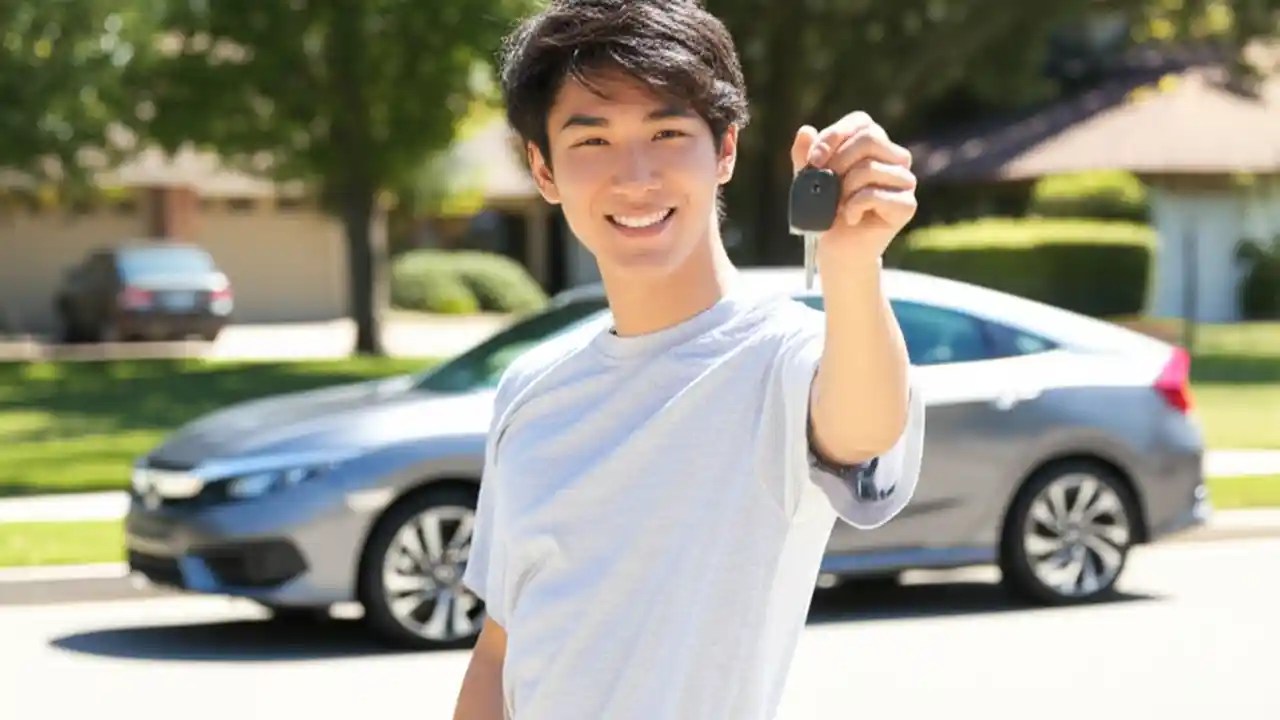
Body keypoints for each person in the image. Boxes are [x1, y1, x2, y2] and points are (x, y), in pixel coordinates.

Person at [451, 1, 925, 718]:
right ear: (543, 170)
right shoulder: (530, 390)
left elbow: (863, 428)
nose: (635, 175)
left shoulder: (782, 360)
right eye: (593, 142)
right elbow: (500, 652)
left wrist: (853, 266)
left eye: (668, 132)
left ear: (725, 149)